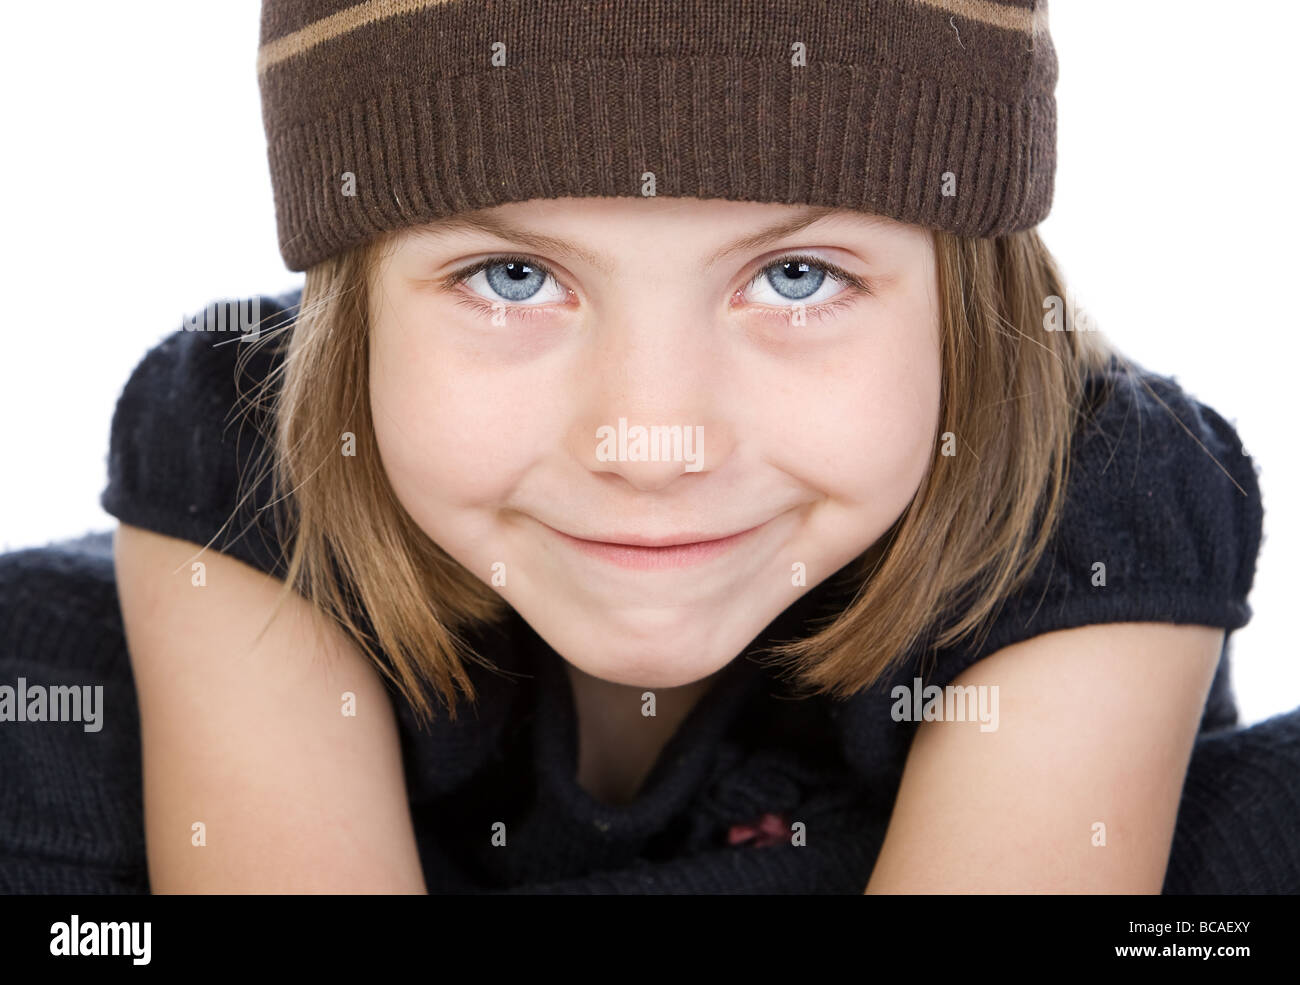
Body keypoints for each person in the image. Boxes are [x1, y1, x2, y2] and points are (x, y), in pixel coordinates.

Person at [2, 0, 1294, 894]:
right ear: (354, 302)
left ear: (973, 293)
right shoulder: (244, 454)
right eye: (513, 274)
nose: (653, 437)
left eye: (795, 275)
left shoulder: (1098, 499)